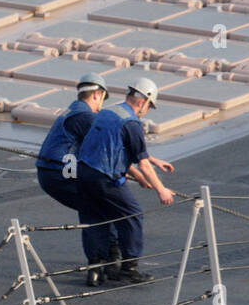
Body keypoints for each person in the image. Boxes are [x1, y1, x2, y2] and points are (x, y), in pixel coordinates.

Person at [77, 77, 176, 285]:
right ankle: (129, 268)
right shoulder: (132, 123)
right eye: (150, 106)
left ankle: (95, 270)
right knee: (132, 215)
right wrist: (162, 190)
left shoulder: (107, 112)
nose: (147, 111)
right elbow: (143, 165)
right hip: (106, 178)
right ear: (143, 101)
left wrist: (153, 160)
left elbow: (118, 145)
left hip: (84, 173)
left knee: (94, 217)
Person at [36, 72, 109, 283]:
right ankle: (99, 264)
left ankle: (107, 259)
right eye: (102, 98)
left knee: (99, 205)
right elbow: (105, 147)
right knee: (96, 207)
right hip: (59, 172)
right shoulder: (85, 116)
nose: (101, 105)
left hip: (51, 170)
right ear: (97, 94)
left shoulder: (72, 110)